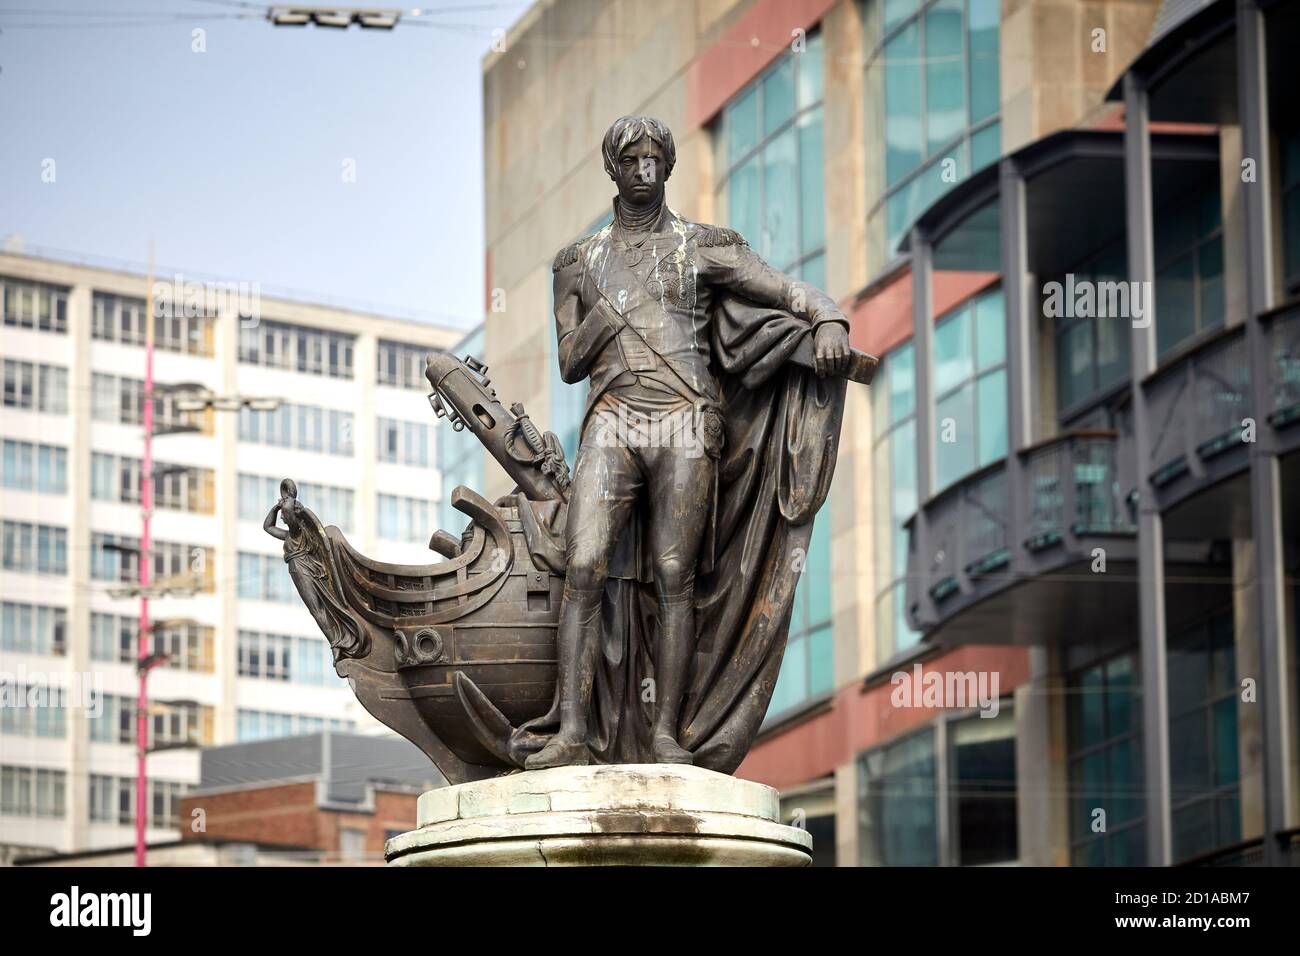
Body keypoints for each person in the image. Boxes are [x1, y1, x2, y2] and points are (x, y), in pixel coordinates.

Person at [526, 115, 851, 769]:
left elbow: (790, 290)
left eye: (655, 160)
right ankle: (571, 733)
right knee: (584, 565)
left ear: (668, 167)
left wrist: (829, 318)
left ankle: (667, 733)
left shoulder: (706, 245)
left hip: (686, 420)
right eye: (632, 161)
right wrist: (608, 308)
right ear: (612, 169)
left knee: (677, 577)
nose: (645, 171)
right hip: (613, 417)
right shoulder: (577, 262)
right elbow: (567, 361)